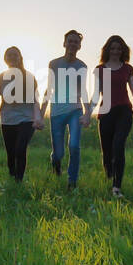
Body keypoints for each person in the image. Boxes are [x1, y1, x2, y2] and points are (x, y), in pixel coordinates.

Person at [87, 35, 133, 198]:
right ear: (107, 50)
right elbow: (95, 95)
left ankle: (117, 187)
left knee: (118, 146)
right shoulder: (100, 70)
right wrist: (87, 113)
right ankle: (109, 176)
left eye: (119, 48)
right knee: (107, 153)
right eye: (113, 48)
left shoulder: (127, 69)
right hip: (106, 112)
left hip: (124, 111)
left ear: (123, 51)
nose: (116, 51)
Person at [40, 30, 92, 189]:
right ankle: (55, 162)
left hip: (75, 111)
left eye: (76, 42)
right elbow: (48, 89)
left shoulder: (82, 66)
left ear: (80, 46)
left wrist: (87, 113)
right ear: (64, 43)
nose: (72, 44)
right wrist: (40, 114)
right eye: (70, 41)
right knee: (59, 153)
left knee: (75, 146)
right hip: (57, 112)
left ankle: (72, 181)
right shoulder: (54, 64)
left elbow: (83, 90)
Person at [0, 47, 42, 182]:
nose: (12, 57)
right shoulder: (0, 78)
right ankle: (12, 176)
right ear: (5, 59)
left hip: (27, 119)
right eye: (9, 55)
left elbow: (35, 100)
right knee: (11, 153)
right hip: (7, 119)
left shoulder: (29, 77)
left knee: (20, 149)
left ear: (20, 57)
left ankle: (18, 181)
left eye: (15, 55)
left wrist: (37, 117)